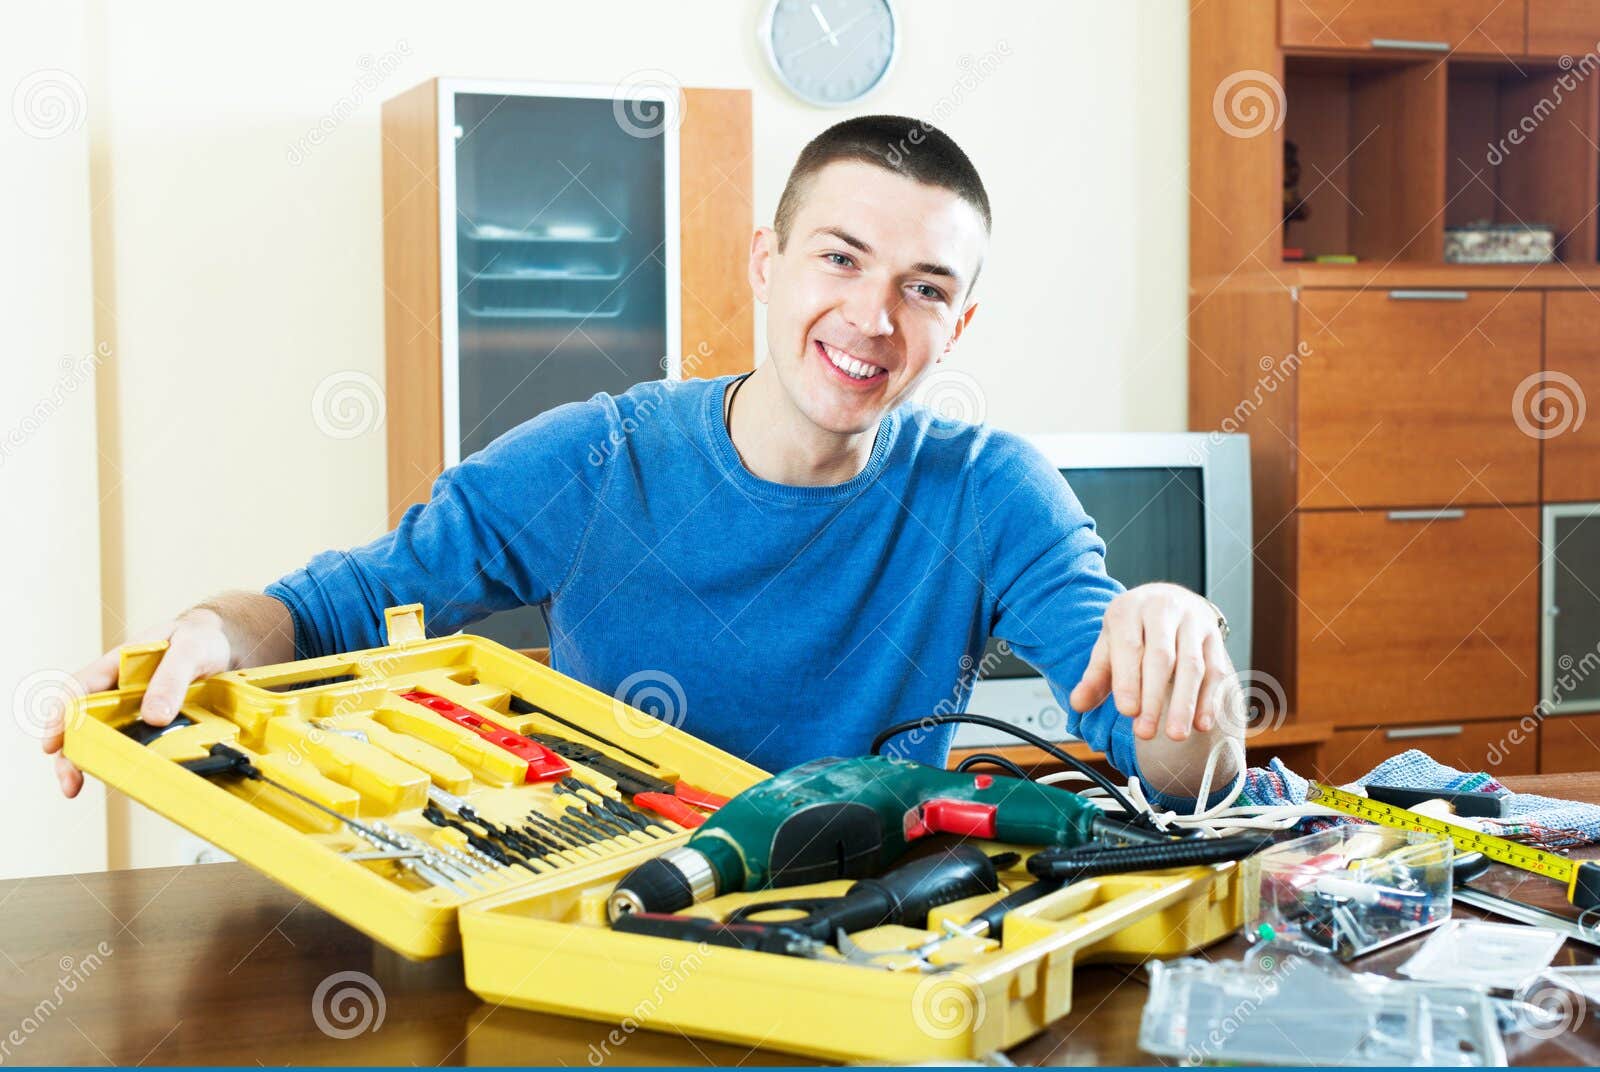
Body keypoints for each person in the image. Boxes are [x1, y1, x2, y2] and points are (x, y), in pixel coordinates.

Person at [45, 115, 1243, 805]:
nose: (873, 316)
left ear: (958, 325)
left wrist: (1182, 663)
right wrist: (211, 630)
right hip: (595, 932)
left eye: (922, 287)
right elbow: (336, 605)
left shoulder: (990, 491)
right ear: (766, 261)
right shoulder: (599, 457)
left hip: (871, 949)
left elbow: (1183, 777)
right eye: (839, 258)